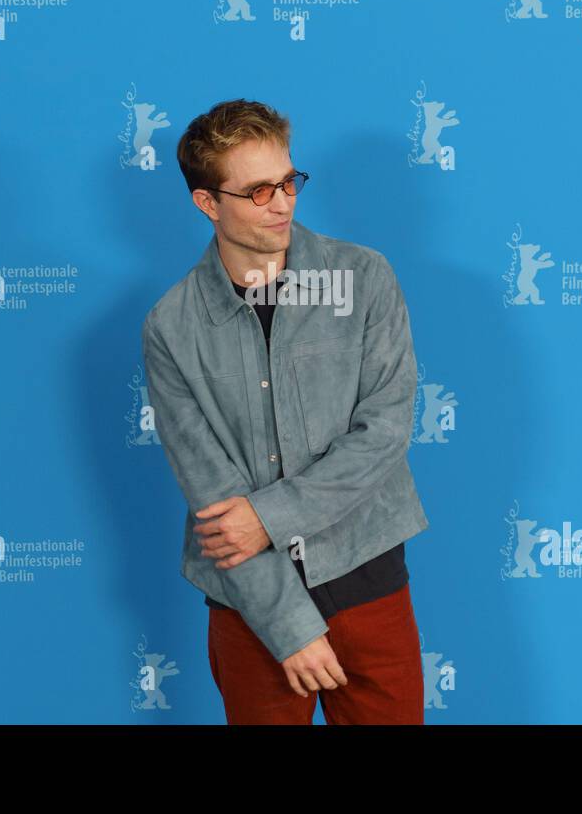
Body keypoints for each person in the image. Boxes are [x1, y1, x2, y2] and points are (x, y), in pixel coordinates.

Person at [141, 97, 430, 724]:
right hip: (250, 605)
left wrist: (267, 516)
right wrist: (288, 625)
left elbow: (383, 433)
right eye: (256, 191)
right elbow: (212, 495)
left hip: (367, 580)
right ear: (206, 202)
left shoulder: (365, 277)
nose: (281, 203)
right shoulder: (171, 326)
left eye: (287, 181)